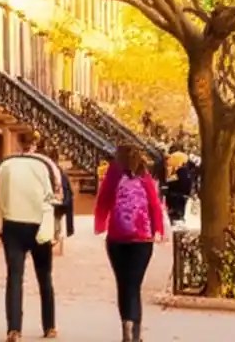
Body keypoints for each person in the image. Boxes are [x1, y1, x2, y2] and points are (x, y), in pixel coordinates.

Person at [95, 144, 165, 342]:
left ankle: (125, 325)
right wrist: (158, 230)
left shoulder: (114, 173)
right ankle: (135, 334)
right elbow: (154, 204)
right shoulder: (145, 175)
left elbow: (103, 200)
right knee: (134, 286)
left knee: (123, 284)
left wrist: (101, 225)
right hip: (142, 240)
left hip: (117, 239)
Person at [0, 137, 58, 342]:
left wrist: (0, 221)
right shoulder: (42, 166)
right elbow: (49, 197)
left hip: (13, 223)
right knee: (44, 276)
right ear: (33, 147)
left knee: (14, 276)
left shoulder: (5, 166)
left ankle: (14, 329)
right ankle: (49, 326)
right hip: (38, 223)